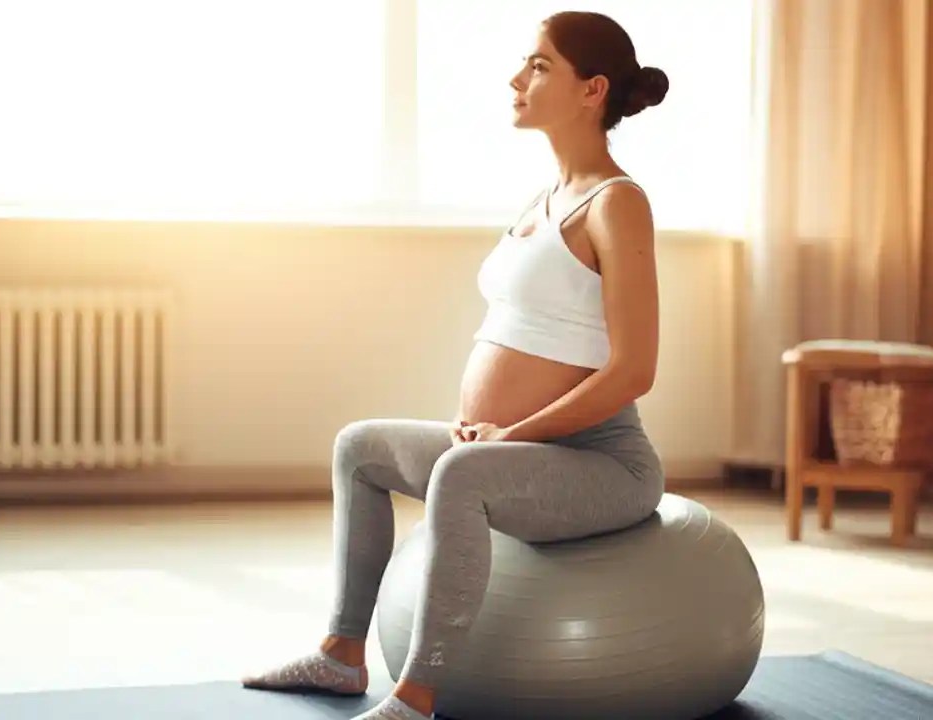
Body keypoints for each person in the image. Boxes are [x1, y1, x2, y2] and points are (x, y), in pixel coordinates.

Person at [241, 10, 671, 720]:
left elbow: (634, 371)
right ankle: (342, 654)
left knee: (460, 474)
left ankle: (415, 698)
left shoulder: (617, 203)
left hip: (601, 461)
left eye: (539, 65)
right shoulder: (544, 199)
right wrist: (488, 427)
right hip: (509, 448)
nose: (516, 78)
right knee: (359, 447)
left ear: (593, 90)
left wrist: (512, 434)